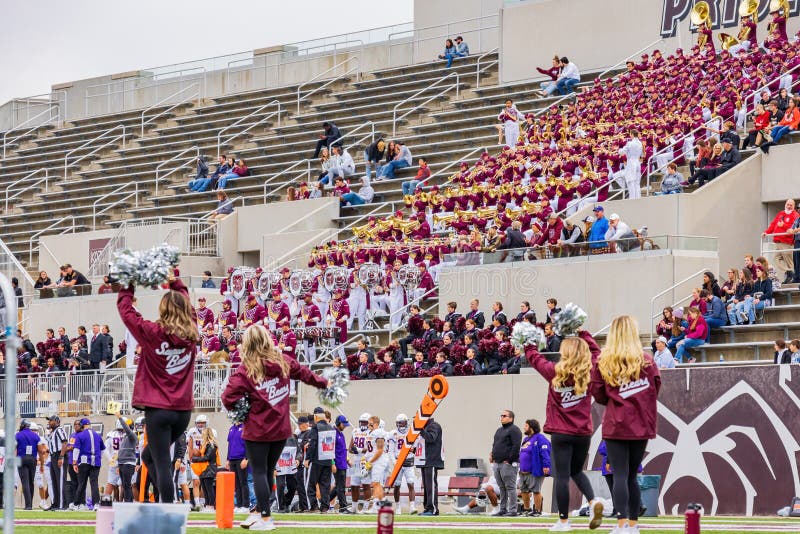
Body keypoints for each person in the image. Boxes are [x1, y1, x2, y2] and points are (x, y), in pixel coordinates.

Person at [221, 325, 328, 531]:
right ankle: (258, 512)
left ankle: (265, 518)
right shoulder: (283, 361)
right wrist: (324, 382)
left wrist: (243, 407)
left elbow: (227, 397)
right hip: (280, 429)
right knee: (268, 472)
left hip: (257, 429)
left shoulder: (246, 369)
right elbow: (305, 373)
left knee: (260, 472)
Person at [116, 267, 199, 503]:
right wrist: (175, 281)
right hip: (182, 411)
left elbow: (126, 311)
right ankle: (165, 502)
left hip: (158, 409)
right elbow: (187, 304)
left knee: (162, 462)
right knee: (149, 456)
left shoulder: (152, 332)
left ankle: (168, 510)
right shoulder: (191, 331)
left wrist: (127, 285)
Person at [525, 330, 604, 532]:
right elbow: (597, 352)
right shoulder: (589, 371)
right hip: (583, 433)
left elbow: (534, 358)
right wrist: (584, 333)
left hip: (561, 432)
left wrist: (528, 343)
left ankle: (563, 521)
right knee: (577, 471)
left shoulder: (554, 371)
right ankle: (593, 501)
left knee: (561, 475)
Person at [591, 315, 661, 534]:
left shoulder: (605, 361)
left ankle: (621, 524)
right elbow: (655, 389)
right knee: (632, 476)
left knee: (619, 475)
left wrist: (617, 398)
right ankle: (633, 525)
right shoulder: (647, 361)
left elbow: (598, 392)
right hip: (641, 424)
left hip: (616, 424)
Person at [490, 410, 522, 518]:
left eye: (504, 416)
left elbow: (516, 446)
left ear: (511, 418)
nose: (502, 417)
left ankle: (513, 510)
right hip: (497, 463)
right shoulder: (499, 430)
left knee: (510, 487)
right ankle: (503, 509)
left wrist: (509, 460)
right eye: (501, 415)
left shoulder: (514, 430)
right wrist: (492, 455)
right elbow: (495, 444)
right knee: (501, 487)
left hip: (508, 464)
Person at [71, 418, 105, 511]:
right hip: (96, 462)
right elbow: (103, 449)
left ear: (82, 425)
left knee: (82, 483)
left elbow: (76, 449)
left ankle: (76, 504)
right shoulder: (97, 435)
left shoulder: (80, 435)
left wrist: (74, 463)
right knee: (94, 483)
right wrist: (98, 457)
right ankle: (96, 504)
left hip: (84, 461)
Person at [305, 407, 335, 513]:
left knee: (310, 484)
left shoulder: (316, 427)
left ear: (315, 416)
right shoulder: (331, 427)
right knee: (325, 485)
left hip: (317, 460)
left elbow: (313, 444)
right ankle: (325, 507)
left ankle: (314, 506)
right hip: (327, 459)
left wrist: (307, 458)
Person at [519, 419, 551, 517]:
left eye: (526, 426)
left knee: (536, 490)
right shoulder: (526, 439)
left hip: (535, 470)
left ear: (531, 427)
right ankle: (527, 510)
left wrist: (546, 466)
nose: (524, 427)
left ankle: (537, 511)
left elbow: (546, 452)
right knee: (524, 491)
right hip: (523, 471)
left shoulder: (540, 438)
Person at [763, 199, 799, 284]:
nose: (789, 206)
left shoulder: (795, 215)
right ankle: (789, 272)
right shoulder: (781, 213)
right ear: (785, 204)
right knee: (776, 259)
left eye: (791, 205)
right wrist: (766, 232)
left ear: (794, 206)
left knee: (789, 261)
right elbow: (773, 224)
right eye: (787, 204)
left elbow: (793, 229)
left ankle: (793, 278)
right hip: (778, 241)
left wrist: (783, 225)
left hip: (787, 241)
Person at [418, 417, 443, 516]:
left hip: (431, 460)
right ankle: (427, 508)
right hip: (425, 460)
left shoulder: (434, 425)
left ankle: (432, 509)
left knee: (431, 486)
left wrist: (420, 430)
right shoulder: (426, 427)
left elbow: (431, 438)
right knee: (427, 486)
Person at [113, 412, 137, 503]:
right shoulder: (125, 437)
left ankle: (128, 502)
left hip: (128, 463)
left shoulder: (132, 435)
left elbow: (127, 429)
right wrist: (118, 465)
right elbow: (121, 451)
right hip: (122, 463)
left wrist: (120, 418)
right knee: (124, 484)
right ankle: (128, 501)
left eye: (126, 425)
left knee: (127, 484)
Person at [17, 419, 41, 510]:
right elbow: (40, 450)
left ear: (23, 425)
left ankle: (28, 505)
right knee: (31, 482)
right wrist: (41, 462)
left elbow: (14, 449)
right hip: (32, 459)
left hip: (21, 458)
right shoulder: (35, 436)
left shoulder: (18, 435)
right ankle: (30, 503)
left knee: (25, 482)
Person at [46, 415, 68, 510]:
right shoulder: (53, 432)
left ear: (56, 421)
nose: (49, 422)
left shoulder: (59, 430)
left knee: (60, 481)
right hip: (53, 457)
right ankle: (55, 503)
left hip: (59, 455)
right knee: (54, 481)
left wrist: (61, 457)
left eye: (50, 420)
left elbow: (64, 443)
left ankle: (62, 504)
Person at [227, 422, 250, 514]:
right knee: (236, 484)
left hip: (241, 458)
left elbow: (248, 444)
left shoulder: (245, 427)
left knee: (243, 482)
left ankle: (245, 505)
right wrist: (227, 459)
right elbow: (229, 445)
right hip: (232, 459)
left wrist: (246, 458)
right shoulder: (231, 428)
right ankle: (239, 505)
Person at [332, 415, 352, 514]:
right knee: (341, 487)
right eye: (343, 424)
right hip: (337, 464)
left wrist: (347, 460)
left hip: (343, 463)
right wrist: (333, 463)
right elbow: (331, 450)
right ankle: (343, 507)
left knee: (338, 487)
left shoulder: (341, 434)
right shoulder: (333, 434)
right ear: (338, 423)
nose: (344, 426)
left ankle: (324, 502)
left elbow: (343, 450)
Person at [618, 130, 643, 200]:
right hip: (638, 162)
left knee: (630, 180)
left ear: (632, 134)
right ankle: (638, 198)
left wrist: (618, 150)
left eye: (630, 134)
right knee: (637, 182)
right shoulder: (640, 143)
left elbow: (622, 152)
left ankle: (632, 198)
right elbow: (642, 154)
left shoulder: (630, 143)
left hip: (631, 162)